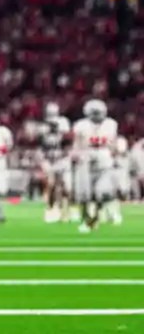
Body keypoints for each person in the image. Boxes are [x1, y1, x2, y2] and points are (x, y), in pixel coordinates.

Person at [71, 99, 117, 233]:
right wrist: (76, 155)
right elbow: (77, 143)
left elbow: (111, 143)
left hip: (104, 162)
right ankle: (86, 219)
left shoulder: (111, 124)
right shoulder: (81, 125)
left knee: (101, 193)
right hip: (85, 161)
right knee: (84, 195)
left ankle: (95, 218)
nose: (97, 116)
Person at [38, 102, 72, 223]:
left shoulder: (63, 123)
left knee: (66, 186)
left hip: (62, 158)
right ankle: (51, 209)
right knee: (51, 183)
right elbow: (40, 145)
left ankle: (66, 210)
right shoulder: (42, 127)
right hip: (49, 158)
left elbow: (68, 141)